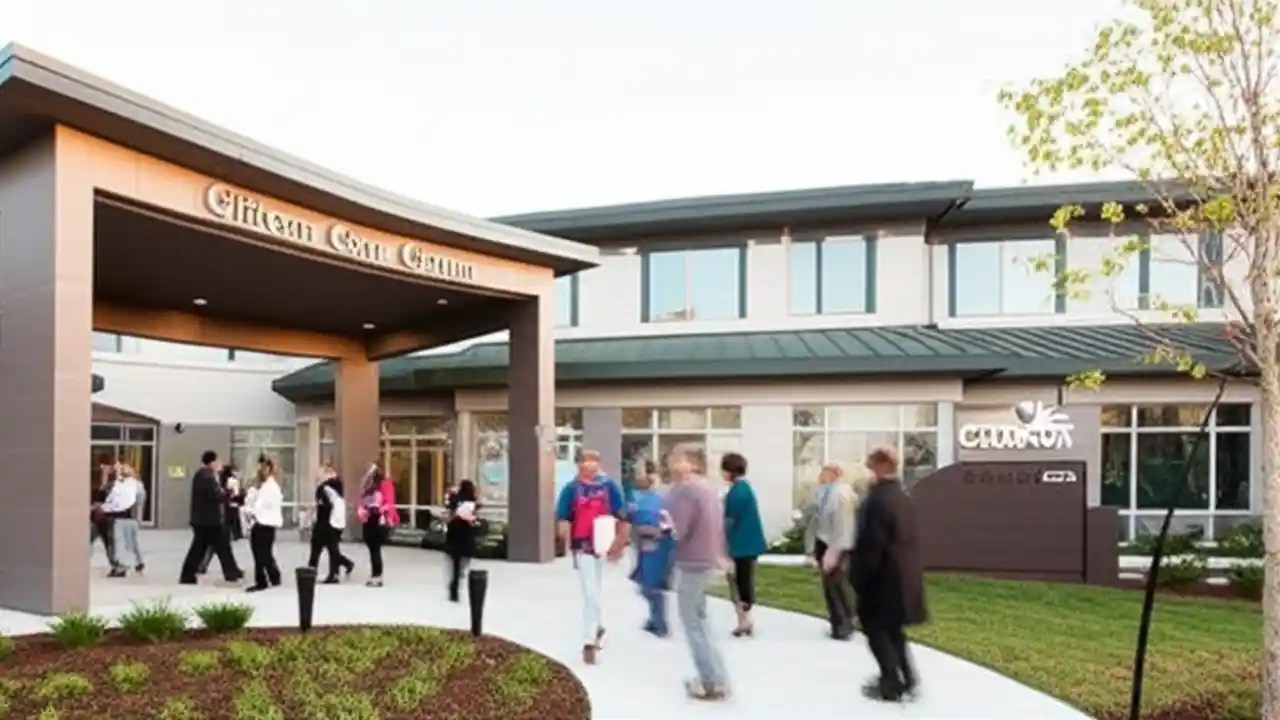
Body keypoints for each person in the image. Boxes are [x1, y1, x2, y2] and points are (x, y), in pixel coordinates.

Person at [852, 446, 927, 703]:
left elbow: (871, 544)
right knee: (894, 631)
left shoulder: (877, 501)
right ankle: (907, 677)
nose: (868, 470)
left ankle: (891, 683)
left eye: (871, 465)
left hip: (882, 579)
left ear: (881, 466)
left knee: (877, 631)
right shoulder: (903, 497)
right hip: (903, 577)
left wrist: (859, 578)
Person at [663, 442, 731, 701]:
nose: (671, 462)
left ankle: (709, 682)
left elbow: (675, 530)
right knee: (701, 622)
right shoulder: (707, 488)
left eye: (676, 457)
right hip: (707, 560)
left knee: (692, 624)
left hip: (692, 562)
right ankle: (718, 677)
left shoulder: (687, 490)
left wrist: (653, 527)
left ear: (691, 462)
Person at [555, 449, 628, 665]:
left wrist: (620, 543)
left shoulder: (609, 486)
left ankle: (595, 626)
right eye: (586, 460)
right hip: (583, 545)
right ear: (578, 464)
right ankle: (589, 639)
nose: (590, 464)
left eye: (594, 460)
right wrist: (564, 540)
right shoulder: (571, 489)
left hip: (604, 543)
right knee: (590, 591)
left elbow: (622, 515)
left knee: (594, 588)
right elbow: (563, 517)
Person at [805, 462, 859, 640]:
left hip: (835, 544)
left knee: (835, 584)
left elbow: (843, 526)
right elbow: (815, 517)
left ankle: (843, 625)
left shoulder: (841, 494)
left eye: (824, 472)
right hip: (824, 541)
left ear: (834, 474)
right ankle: (843, 620)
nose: (820, 476)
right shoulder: (824, 492)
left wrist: (834, 551)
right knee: (832, 585)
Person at [179, 451, 243, 585]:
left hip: (205, 520)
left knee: (201, 548)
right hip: (208, 521)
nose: (220, 464)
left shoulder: (205, 475)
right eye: (218, 461)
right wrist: (230, 494)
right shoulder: (206, 476)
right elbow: (215, 495)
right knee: (219, 548)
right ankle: (231, 573)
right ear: (212, 462)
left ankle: (188, 575)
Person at [721, 452, 766, 638]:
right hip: (749, 544)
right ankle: (744, 620)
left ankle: (745, 620)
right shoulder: (746, 489)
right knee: (744, 581)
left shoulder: (736, 493)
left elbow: (729, 522)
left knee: (739, 583)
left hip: (740, 545)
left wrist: (723, 546)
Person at [629, 469, 674, 637]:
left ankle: (659, 623)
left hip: (653, 546)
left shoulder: (649, 502)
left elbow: (655, 527)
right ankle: (655, 619)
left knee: (650, 586)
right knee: (647, 585)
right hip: (651, 546)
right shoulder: (646, 500)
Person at [308, 464, 355, 583]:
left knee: (317, 547)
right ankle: (339, 569)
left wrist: (319, 522)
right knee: (332, 548)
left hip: (327, 522)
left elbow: (324, 507)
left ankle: (312, 572)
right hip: (338, 521)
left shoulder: (323, 489)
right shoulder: (337, 487)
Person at [356, 463, 400, 588]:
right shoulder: (367, 487)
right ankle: (375, 574)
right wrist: (363, 511)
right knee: (373, 550)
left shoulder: (385, 485)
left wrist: (380, 511)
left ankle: (377, 575)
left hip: (378, 520)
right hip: (369, 520)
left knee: (375, 550)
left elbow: (389, 503)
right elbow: (362, 502)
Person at [244, 457, 284, 593]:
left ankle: (262, 581)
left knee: (261, 554)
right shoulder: (265, 486)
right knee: (264, 554)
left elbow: (259, 506)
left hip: (264, 523)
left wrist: (249, 510)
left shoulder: (270, 487)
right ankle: (273, 576)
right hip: (263, 523)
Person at [101, 463, 147, 576]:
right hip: (122, 517)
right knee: (125, 542)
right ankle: (132, 562)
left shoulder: (135, 485)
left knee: (127, 542)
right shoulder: (123, 484)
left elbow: (138, 501)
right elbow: (106, 489)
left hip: (127, 517)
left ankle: (128, 563)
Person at [198, 465, 242, 575]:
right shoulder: (230, 481)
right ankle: (231, 571)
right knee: (220, 545)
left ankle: (203, 565)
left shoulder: (218, 481)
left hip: (220, 516)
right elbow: (232, 497)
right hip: (224, 516)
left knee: (216, 545)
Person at [445, 480, 480, 602]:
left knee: (455, 563)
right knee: (463, 562)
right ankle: (458, 578)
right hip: (466, 536)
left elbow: (448, 513)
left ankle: (453, 588)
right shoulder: (472, 502)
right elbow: (474, 520)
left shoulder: (455, 500)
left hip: (454, 536)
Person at [90, 461, 119, 573]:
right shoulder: (98, 486)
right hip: (97, 519)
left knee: (109, 543)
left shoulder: (114, 487)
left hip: (107, 520)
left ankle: (116, 565)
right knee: (87, 540)